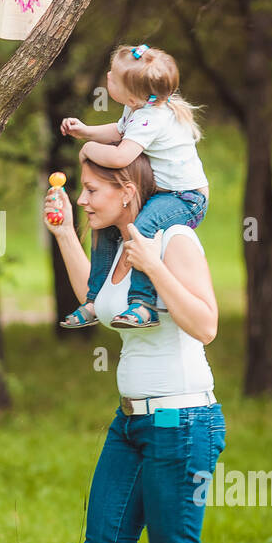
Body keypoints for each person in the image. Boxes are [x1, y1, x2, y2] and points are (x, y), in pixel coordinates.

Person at [45, 150, 268, 543]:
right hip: (131, 424)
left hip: (182, 421)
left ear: (128, 191)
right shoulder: (116, 248)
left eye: (93, 190)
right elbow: (95, 305)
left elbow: (207, 325)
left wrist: (154, 263)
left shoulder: (172, 240)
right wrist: (67, 234)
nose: (83, 198)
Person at [59, 43, 208, 329]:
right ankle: (93, 299)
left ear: (133, 93)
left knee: (142, 229)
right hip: (164, 193)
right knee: (105, 230)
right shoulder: (138, 109)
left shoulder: (152, 117)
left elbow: (120, 156)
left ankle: (142, 303)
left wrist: (88, 148)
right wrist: (86, 131)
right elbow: (118, 131)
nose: (107, 76)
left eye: (113, 77)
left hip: (186, 198)